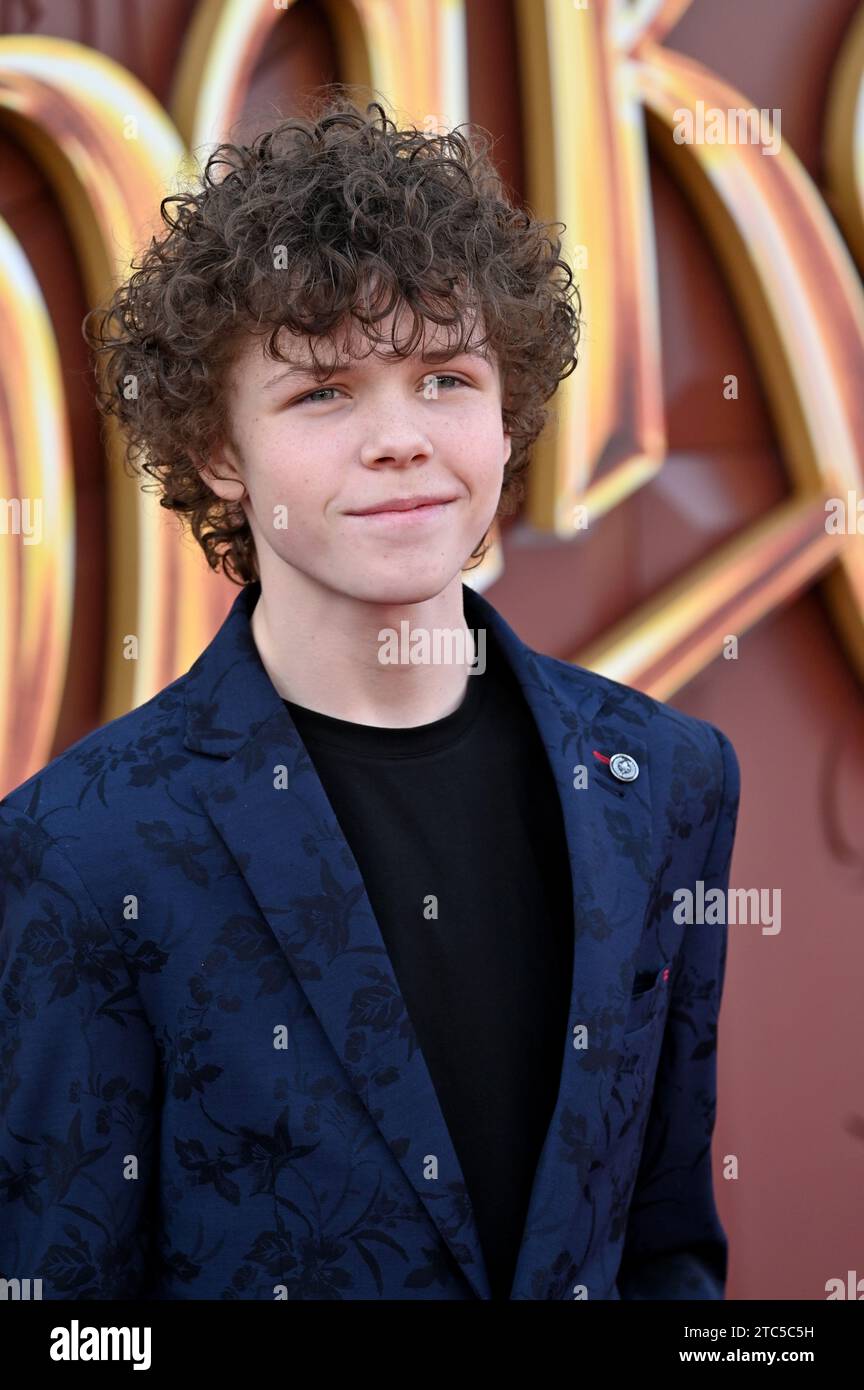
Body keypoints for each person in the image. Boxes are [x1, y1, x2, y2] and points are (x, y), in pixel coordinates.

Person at [0, 94, 739, 1301]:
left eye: (445, 377)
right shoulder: (79, 847)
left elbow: (665, 1250)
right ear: (219, 454)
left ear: (507, 412)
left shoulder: (666, 780)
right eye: (323, 392)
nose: (401, 438)